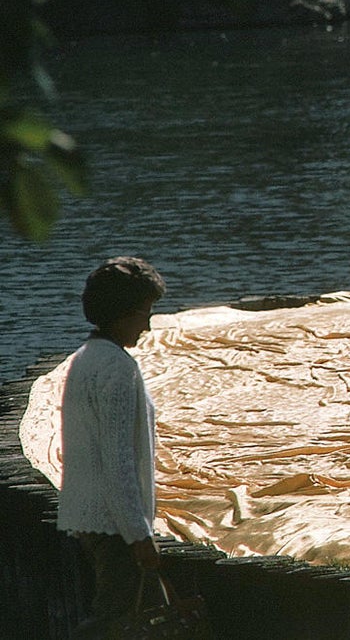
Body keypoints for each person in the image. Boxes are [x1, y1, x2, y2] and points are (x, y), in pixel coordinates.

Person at [57, 256, 167, 637]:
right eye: (144, 313)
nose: (148, 324)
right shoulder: (118, 369)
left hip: (93, 519)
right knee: (114, 621)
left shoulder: (87, 358)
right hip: (114, 525)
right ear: (123, 313)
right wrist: (139, 535)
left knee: (129, 616)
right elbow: (117, 461)